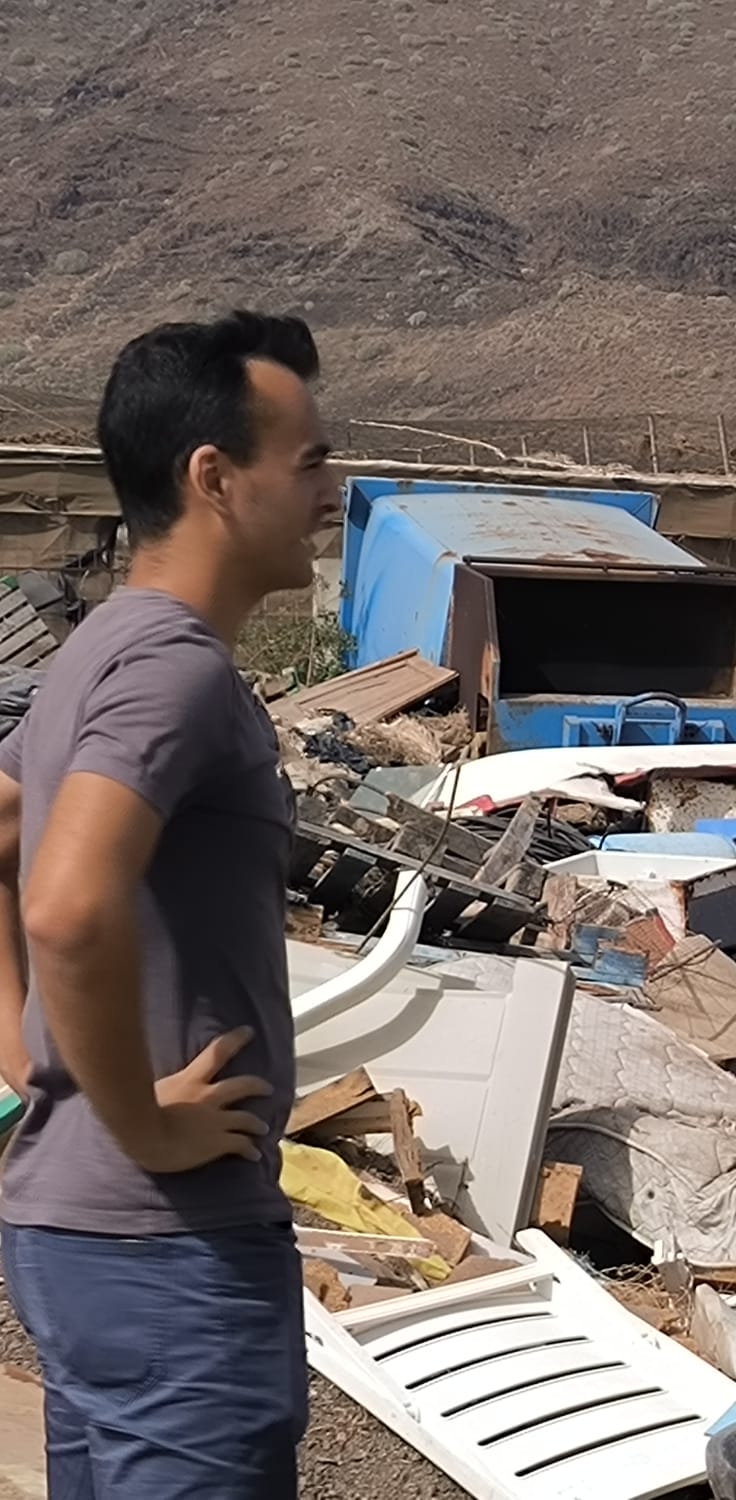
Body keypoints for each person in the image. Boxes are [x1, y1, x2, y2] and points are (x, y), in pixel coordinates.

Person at [0, 311, 340, 1498]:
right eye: (307, 463)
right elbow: (63, 907)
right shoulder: (172, 669)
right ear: (214, 478)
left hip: (77, 1235)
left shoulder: (93, 655)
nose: (331, 492)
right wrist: (140, 1122)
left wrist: (26, 1053)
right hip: (166, 1245)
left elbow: (1, 842)